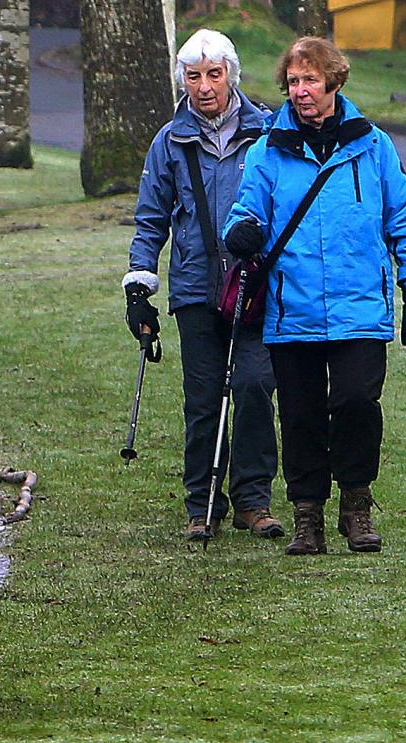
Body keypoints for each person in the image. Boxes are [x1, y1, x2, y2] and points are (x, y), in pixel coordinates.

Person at [223, 36, 406, 557]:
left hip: (360, 307)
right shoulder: (266, 151)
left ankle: (356, 506)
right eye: (293, 82)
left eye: (310, 80)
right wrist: (241, 232)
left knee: (358, 404)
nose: (300, 91)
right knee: (300, 415)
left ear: (334, 81)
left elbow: (403, 221)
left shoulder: (374, 146)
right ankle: (307, 515)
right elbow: (244, 212)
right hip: (293, 310)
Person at [122, 29, 281, 541]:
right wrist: (139, 288)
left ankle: (254, 501)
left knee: (256, 387)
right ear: (183, 80)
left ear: (231, 75)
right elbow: (151, 220)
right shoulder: (169, 141)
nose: (205, 86)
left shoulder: (269, 134)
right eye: (194, 76)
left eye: (214, 74)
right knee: (203, 396)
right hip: (194, 287)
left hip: (256, 287)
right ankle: (203, 503)